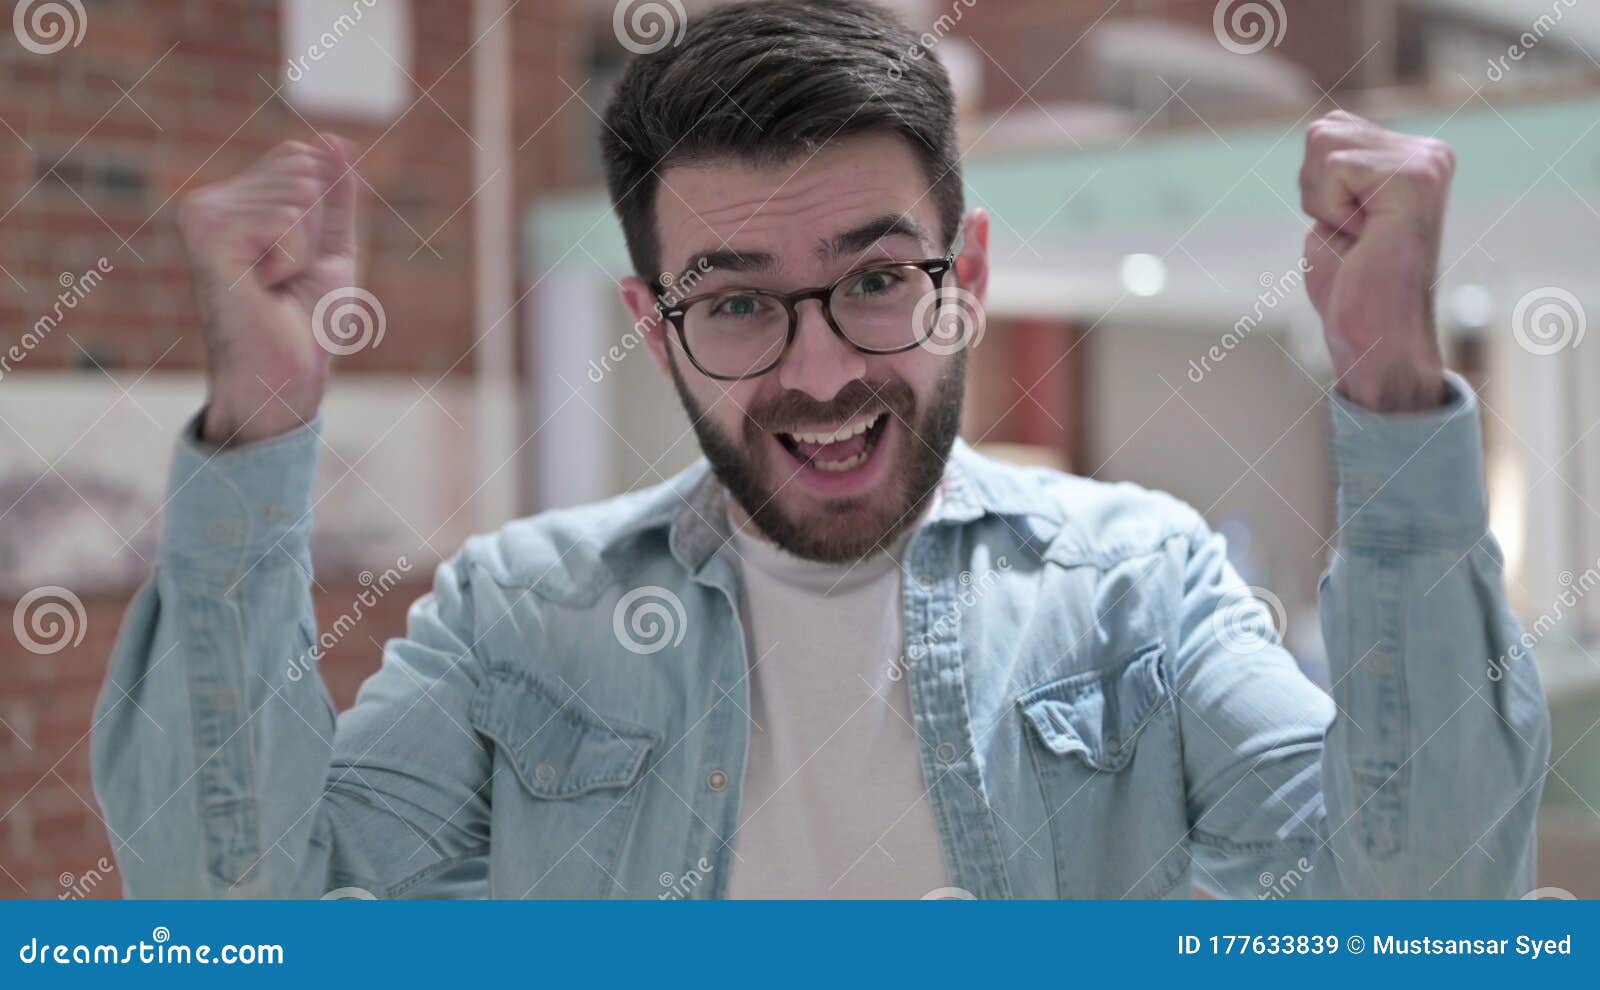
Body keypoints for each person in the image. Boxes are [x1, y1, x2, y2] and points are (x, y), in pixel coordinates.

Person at [93, 0, 1548, 899]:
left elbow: (1422, 902)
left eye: (873, 278)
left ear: (964, 272)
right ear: (655, 331)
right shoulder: (511, 616)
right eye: (735, 304)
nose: (823, 368)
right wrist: (257, 439)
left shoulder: (1143, 589)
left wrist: (1391, 396)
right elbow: (230, 912)